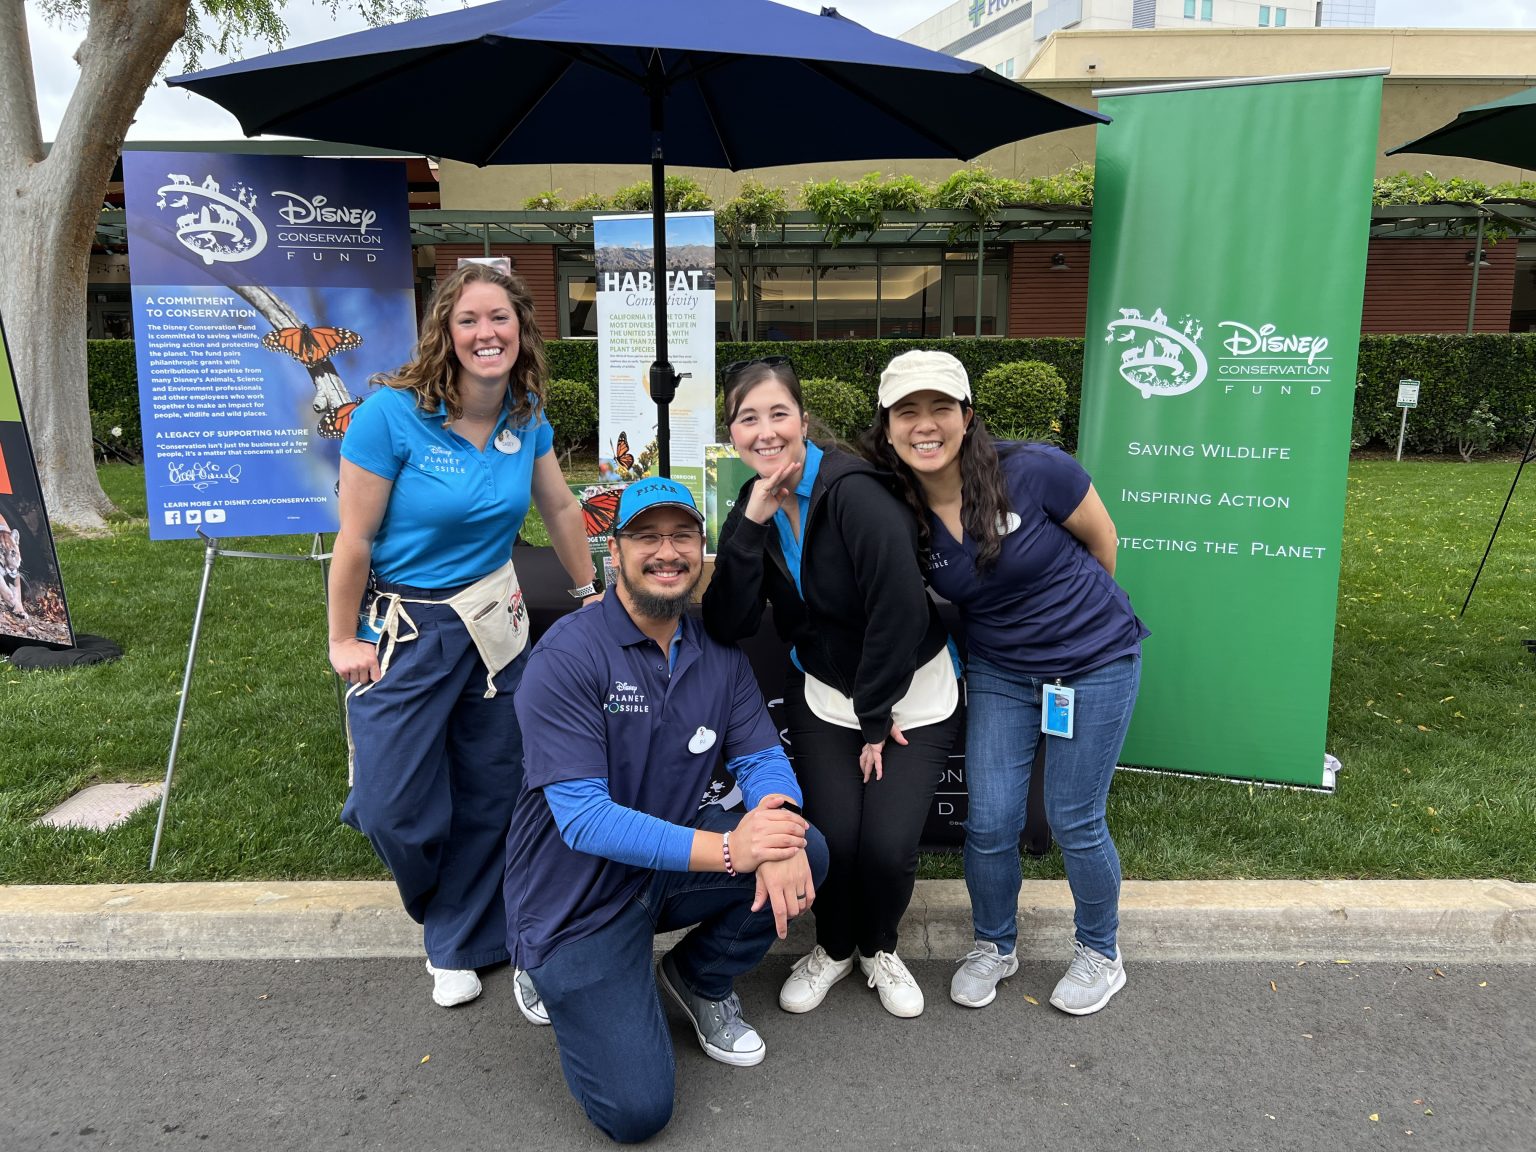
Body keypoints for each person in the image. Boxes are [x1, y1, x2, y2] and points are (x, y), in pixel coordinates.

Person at [504, 477, 827, 1144]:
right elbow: (585, 820)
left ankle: (698, 978)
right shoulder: (567, 655)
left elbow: (763, 758)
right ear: (613, 553)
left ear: (701, 555)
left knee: (808, 849)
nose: (666, 551)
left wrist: (779, 828)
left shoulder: (718, 655)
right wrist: (739, 851)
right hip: (576, 895)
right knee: (636, 1113)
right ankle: (546, 968)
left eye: (682, 536)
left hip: (666, 864)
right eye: (646, 536)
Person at [327, 263, 599, 1009]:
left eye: (501, 319)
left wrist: (589, 596)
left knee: (492, 789)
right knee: (392, 805)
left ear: (522, 330)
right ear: (445, 332)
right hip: (403, 627)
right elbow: (353, 539)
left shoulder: (525, 411)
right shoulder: (389, 415)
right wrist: (341, 638)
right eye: (471, 320)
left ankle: (458, 939)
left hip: (493, 625)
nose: (488, 333)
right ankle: (442, 901)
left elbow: (562, 510)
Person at [862, 349, 1148, 1017]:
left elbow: (1103, 544)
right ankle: (994, 944)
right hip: (999, 671)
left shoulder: (1036, 469)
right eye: (908, 410)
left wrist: (1070, 634)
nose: (924, 425)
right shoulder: (896, 505)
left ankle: (1101, 953)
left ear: (967, 416)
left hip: (1095, 660)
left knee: (1076, 818)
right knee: (989, 822)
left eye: (940, 407)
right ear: (888, 423)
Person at [702, 358, 961, 1020]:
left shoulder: (853, 493)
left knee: (887, 845)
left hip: (909, 693)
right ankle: (836, 946)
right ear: (732, 432)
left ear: (803, 419)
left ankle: (879, 948)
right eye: (747, 418)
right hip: (824, 691)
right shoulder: (755, 498)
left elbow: (899, 609)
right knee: (834, 840)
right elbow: (728, 620)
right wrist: (751, 523)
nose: (765, 431)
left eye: (777, 414)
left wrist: (875, 718)